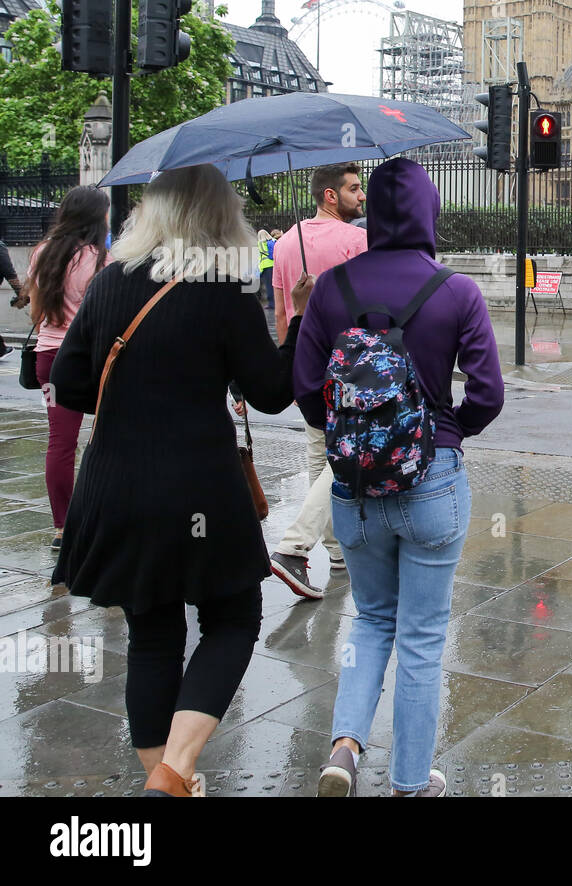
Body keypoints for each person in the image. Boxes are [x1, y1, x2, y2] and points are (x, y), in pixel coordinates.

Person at [49, 164, 312, 796]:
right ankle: (174, 772)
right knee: (234, 617)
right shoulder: (225, 290)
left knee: (152, 630)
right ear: (221, 218)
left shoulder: (110, 281)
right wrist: (297, 320)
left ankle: (163, 782)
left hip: (117, 484)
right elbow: (273, 393)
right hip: (200, 487)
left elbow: (72, 382)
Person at [293, 157, 504, 797]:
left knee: (369, 619)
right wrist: (448, 431)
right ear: (428, 210)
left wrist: (350, 433)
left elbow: (305, 391)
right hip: (432, 482)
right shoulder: (457, 290)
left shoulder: (331, 289)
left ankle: (342, 750)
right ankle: (412, 782)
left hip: (354, 488)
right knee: (420, 635)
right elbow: (488, 395)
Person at [263, 163, 368, 598]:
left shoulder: (285, 244)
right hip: (351, 365)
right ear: (330, 195)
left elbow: (283, 314)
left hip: (306, 366)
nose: (362, 197)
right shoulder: (359, 241)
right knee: (347, 455)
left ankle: (336, 552)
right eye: (354, 189)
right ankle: (294, 546)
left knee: (316, 456)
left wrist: (292, 368)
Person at [25, 186, 109, 552]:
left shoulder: (42, 253)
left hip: (49, 358)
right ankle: (103, 516)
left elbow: (35, 312)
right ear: (95, 217)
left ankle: (62, 527)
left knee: (60, 443)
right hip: (91, 358)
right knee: (107, 439)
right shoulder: (99, 257)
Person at [256, 229, 275, 311]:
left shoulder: (260, 244)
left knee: (268, 286)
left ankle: (271, 304)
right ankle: (275, 302)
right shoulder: (273, 241)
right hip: (273, 265)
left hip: (265, 267)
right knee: (273, 285)